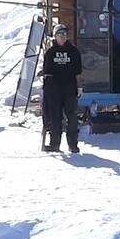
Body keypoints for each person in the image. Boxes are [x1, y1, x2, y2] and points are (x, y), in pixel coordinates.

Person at [41, 23, 83, 153]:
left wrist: (80, 86)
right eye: (60, 34)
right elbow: (46, 72)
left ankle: (73, 145)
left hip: (69, 89)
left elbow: (79, 71)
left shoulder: (74, 51)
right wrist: (46, 91)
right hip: (54, 91)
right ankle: (54, 144)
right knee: (55, 118)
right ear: (55, 36)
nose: (63, 37)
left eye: (64, 34)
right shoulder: (50, 52)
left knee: (72, 117)